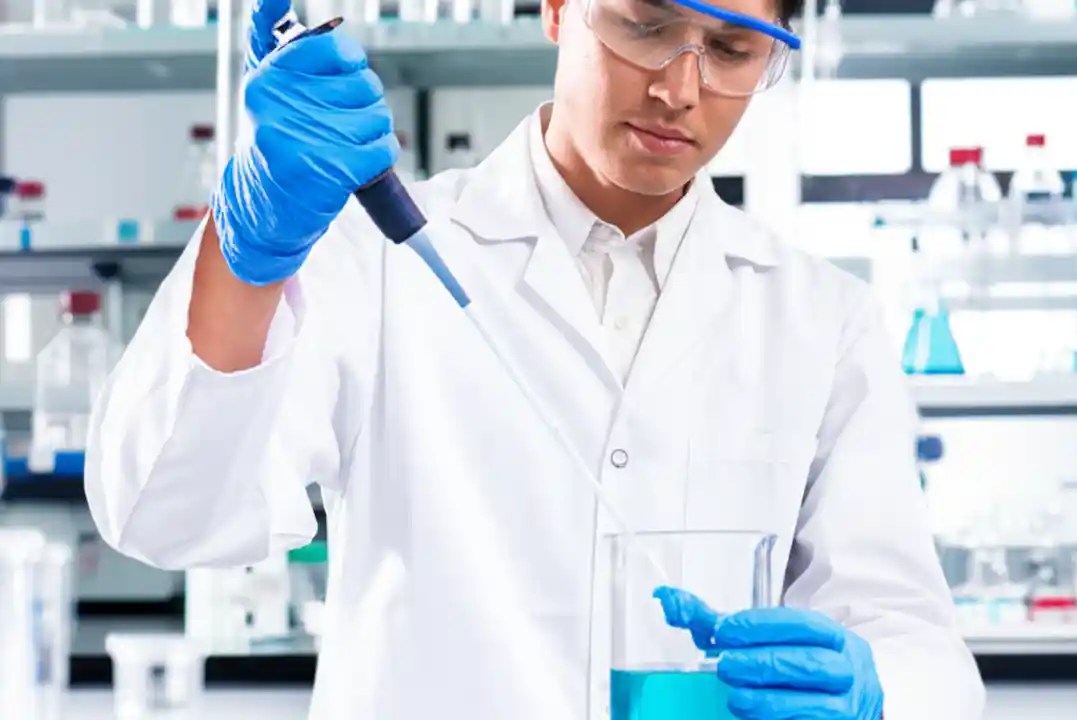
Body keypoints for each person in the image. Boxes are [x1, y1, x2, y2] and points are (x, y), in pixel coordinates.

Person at [85, 0, 984, 716]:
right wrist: (249, 254)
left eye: (731, 49)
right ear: (557, 8)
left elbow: (910, 635)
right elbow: (162, 513)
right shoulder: (375, 259)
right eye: (645, 24)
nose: (680, 87)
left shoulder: (821, 318)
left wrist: (877, 692)